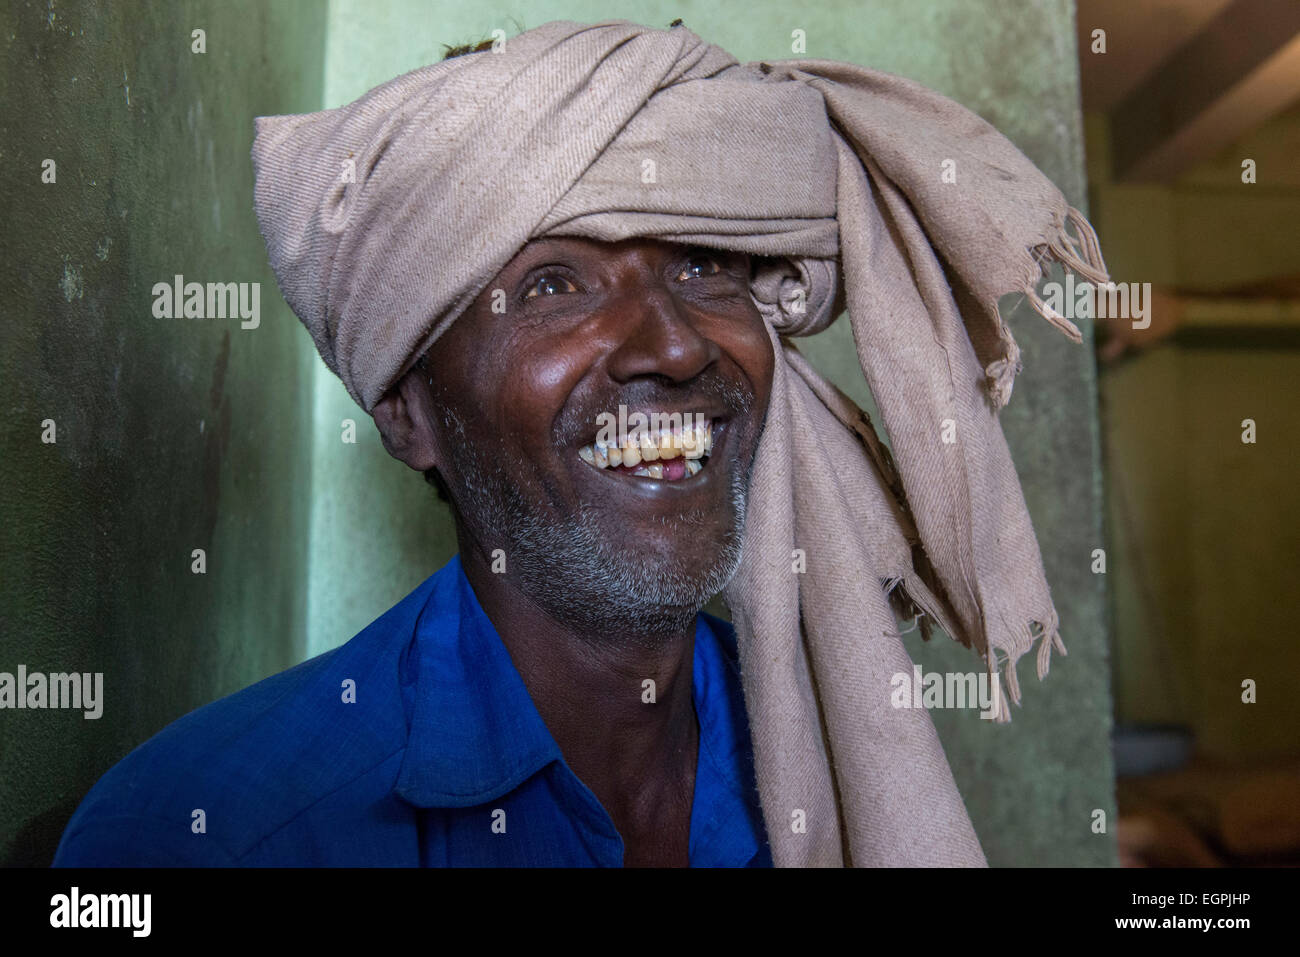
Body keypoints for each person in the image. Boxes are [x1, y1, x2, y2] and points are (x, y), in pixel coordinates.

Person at [55, 18, 1107, 867]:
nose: (675, 343)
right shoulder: (213, 830)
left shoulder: (839, 739)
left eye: (703, 266)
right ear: (410, 414)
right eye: (553, 286)